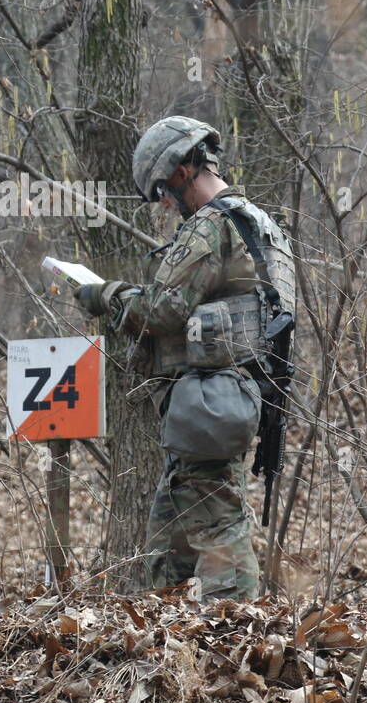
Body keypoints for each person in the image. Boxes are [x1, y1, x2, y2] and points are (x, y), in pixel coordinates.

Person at [76, 116, 297, 601]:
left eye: (161, 191)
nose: (165, 204)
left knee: (219, 529)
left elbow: (163, 309)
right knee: (169, 535)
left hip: (212, 401)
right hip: (222, 400)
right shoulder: (258, 221)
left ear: (179, 172)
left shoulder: (212, 224)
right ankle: (168, 641)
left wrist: (106, 295)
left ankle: (238, 638)